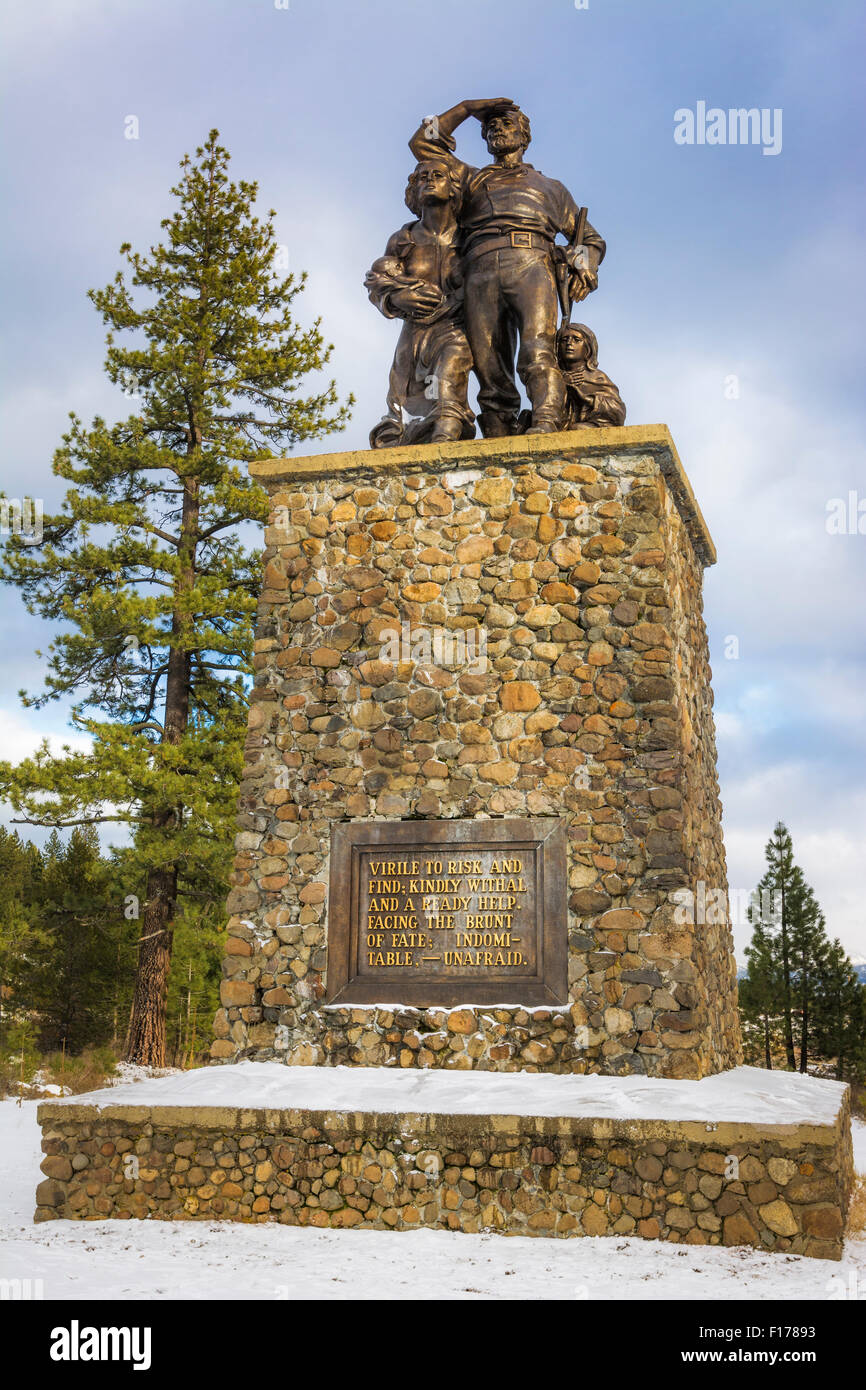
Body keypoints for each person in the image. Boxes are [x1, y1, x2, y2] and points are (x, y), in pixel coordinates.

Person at [409, 98, 605, 437]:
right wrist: (467, 109)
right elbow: (423, 144)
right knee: (487, 362)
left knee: (537, 346)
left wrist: (584, 264)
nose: (497, 129)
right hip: (479, 267)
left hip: (533, 264)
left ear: (524, 135)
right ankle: (499, 432)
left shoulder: (551, 188)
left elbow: (589, 238)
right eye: (491, 126)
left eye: (506, 124)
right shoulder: (469, 179)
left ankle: (545, 420)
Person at [365, 159, 474, 447]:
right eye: (421, 177)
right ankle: (417, 436)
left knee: (450, 370)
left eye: (438, 175)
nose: (428, 180)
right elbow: (376, 283)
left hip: (455, 324)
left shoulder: (470, 236)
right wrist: (397, 297)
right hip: (414, 332)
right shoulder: (404, 239)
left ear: (453, 188)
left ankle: (445, 433)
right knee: (407, 397)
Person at [557, 322, 626, 429]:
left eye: (576, 340)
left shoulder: (596, 377)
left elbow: (618, 411)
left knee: (577, 429)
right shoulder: (554, 376)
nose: (569, 343)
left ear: (588, 347)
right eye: (564, 339)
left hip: (591, 424)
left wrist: (584, 398)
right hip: (560, 424)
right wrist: (560, 383)